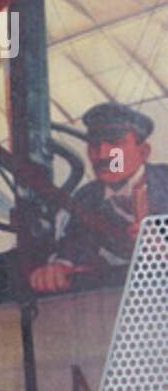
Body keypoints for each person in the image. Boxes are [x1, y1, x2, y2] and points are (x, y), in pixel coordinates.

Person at [29, 102, 168, 294]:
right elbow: (74, 247)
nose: (102, 155)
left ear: (143, 152)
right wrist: (59, 268)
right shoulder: (86, 199)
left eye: (115, 143)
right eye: (94, 145)